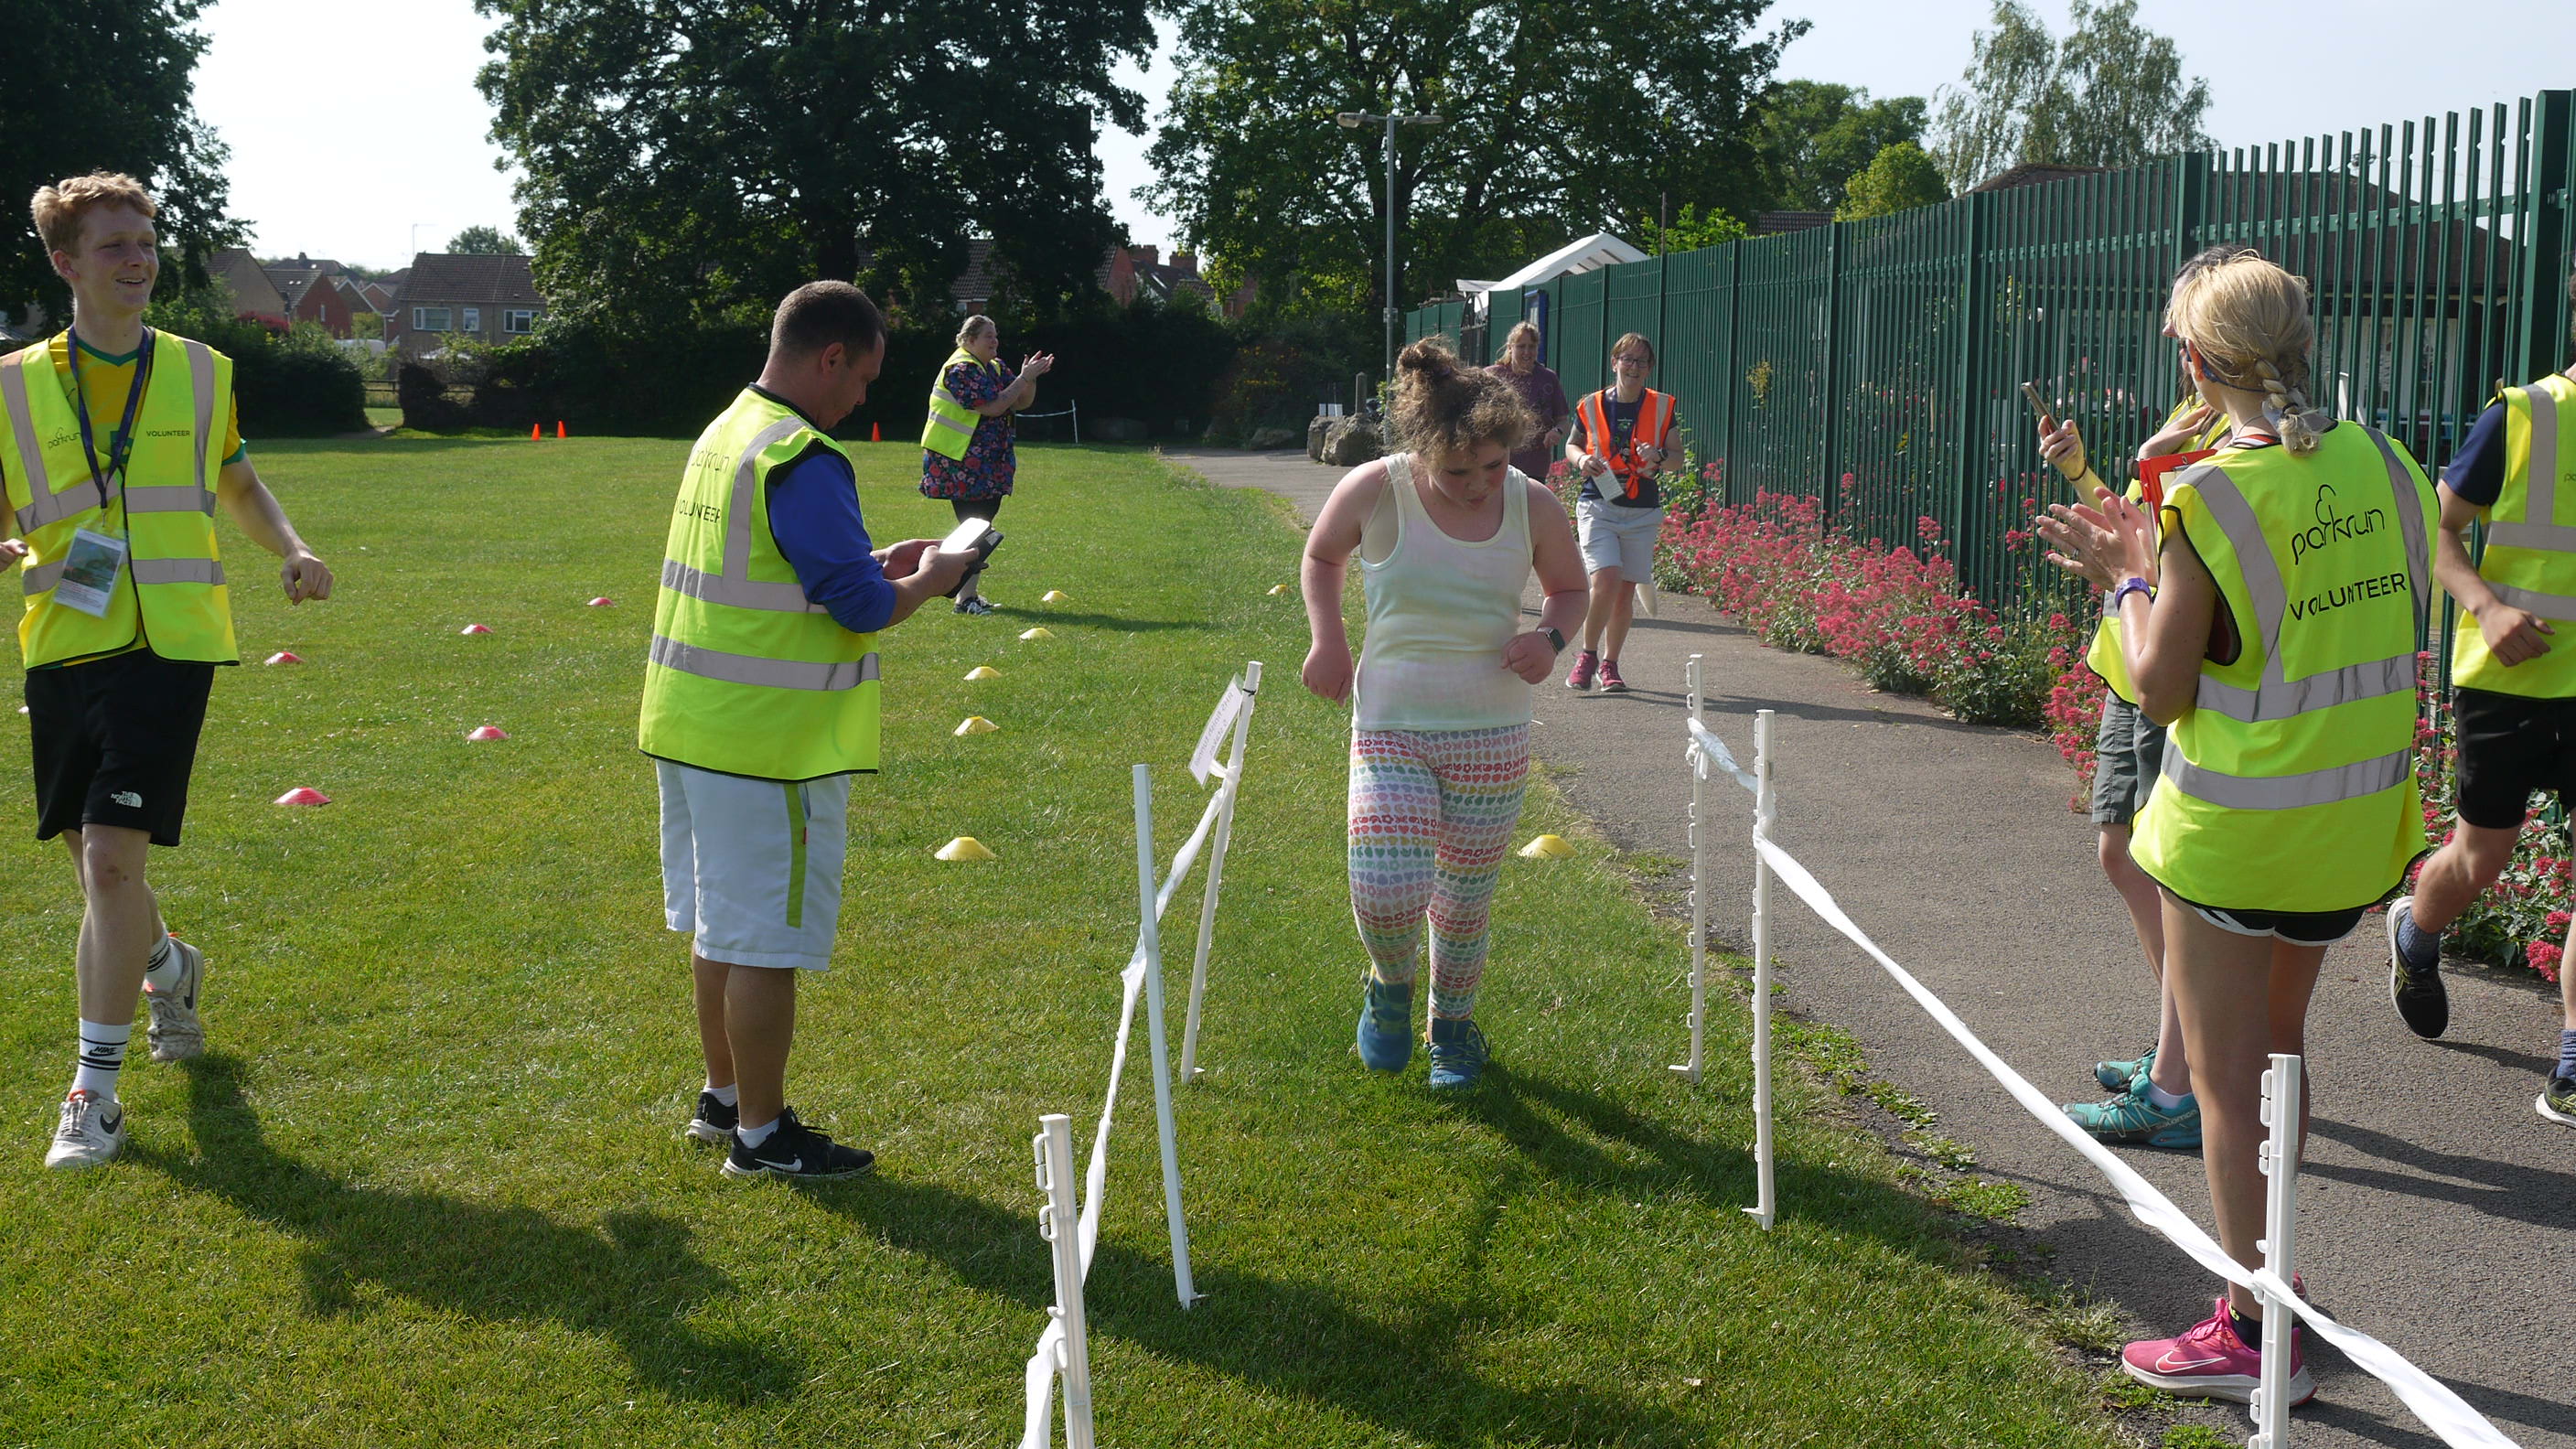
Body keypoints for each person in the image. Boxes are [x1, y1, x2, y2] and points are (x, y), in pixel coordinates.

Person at [2040, 252, 2434, 1408]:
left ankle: (2252, 1324)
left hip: (2235, 833)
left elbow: (2159, 689)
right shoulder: (2386, 461)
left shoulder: (2202, 496)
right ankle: (2275, 1290)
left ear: (2194, 364)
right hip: (2355, 827)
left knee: (2221, 1084)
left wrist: (2121, 574)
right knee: (2277, 1052)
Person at [1, 173, 334, 1170]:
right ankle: (168, 964)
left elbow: (237, 477)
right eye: (111, 245)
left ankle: (92, 1097)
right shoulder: (12, 381)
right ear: (65, 264)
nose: (136, 259)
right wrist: (24, 558)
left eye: (143, 240)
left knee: (110, 859)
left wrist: (288, 543)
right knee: (92, 863)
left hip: (171, 644)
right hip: (63, 641)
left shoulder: (199, 370)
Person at [643, 281, 972, 1179]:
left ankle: (722, 1101)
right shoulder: (802, 455)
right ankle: (760, 1137)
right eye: (862, 378)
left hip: (692, 722)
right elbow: (861, 609)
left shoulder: (729, 431)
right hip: (766, 742)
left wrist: (873, 560)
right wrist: (935, 578)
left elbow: (782, 568)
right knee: (763, 944)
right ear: (829, 357)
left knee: (721, 927)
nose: (862, 397)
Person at [1300, 338, 1588, 1089]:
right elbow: (1323, 556)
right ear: (1422, 451)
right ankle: (1390, 986)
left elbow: (1571, 588)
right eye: (1458, 471)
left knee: (1463, 907)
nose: (1478, 484)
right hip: (1392, 721)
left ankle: (1452, 1033)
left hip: (1492, 731)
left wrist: (1551, 639)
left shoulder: (1532, 503)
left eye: (1493, 466)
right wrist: (1328, 639)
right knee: (1386, 886)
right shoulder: (1375, 488)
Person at [2033, 246, 2242, 1151]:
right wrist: (2082, 474)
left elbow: (2167, 562)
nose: (2168, 337)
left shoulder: (2226, 433)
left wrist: (2146, 481)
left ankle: (2183, 1074)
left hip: (2161, 668)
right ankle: (2186, 1051)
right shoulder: (2187, 414)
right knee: (2122, 858)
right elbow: (2129, 530)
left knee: (2159, 872)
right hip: (2130, 661)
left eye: (2179, 321)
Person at [2383, 257, 2576, 1128]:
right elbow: (2437, 529)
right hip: (2509, 683)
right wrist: (2489, 606)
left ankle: (2570, 1063)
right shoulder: (2524, 415)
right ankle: (2416, 934)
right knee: (2479, 861)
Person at [1562, 333, 1680, 693]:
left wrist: (1657, 457)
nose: (1633, 367)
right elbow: (1571, 444)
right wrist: (1582, 459)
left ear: (1649, 369)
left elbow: (1677, 459)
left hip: (1641, 510)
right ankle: (1587, 656)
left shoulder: (1661, 406)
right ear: (1614, 363)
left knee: (1625, 592)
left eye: (1641, 362)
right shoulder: (1592, 404)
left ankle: (1610, 665)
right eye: (1627, 360)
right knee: (1607, 579)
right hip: (1599, 503)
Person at [919, 314, 1052, 615]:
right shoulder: (961, 368)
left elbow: (1020, 401)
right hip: (960, 463)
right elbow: (993, 407)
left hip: (987, 464)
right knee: (974, 528)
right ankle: (961, 597)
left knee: (981, 526)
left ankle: (968, 595)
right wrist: (1022, 379)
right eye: (987, 336)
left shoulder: (992, 366)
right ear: (968, 341)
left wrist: (1028, 378)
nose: (995, 341)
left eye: (996, 335)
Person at [1489, 321, 1569, 482]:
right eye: (1521, 346)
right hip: (1497, 464)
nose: (1527, 352)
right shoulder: (1493, 377)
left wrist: (1557, 432)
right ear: (1510, 347)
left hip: (1535, 466)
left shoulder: (1548, 378)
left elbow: (1563, 421)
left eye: (1532, 346)